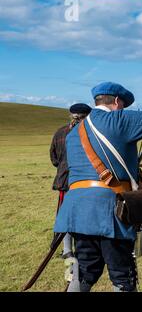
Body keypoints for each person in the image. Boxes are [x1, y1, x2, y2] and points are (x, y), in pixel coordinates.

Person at [54, 81, 142, 292]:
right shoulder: (118, 119)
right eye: (123, 105)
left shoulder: (73, 133)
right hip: (110, 209)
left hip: (78, 212)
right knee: (122, 276)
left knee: (83, 272)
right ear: (117, 101)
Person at [50, 103, 92, 259]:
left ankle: (67, 249)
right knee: (82, 215)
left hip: (64, 180)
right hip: (83, 180)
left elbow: (54, 159)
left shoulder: (60, 132)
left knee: (65, 215)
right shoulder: (88, 133)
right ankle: (78, 248)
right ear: (87, 116)